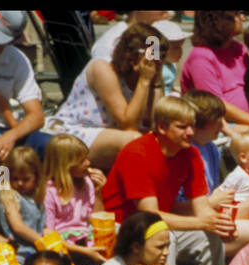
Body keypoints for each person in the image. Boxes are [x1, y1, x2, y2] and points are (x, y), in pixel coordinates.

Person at [100, 94, 231, 265]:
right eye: (182, 127)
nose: (190, 132)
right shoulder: (138, 152)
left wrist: (215, 223)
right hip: (125, 226)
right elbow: (148, 215)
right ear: (162, 127)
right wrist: (202, 221)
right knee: (164, 239)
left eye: (192, 126)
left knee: (210, 239)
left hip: (159, 221)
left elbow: (201, 208)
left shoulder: (190, 155)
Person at [43, 22, 163, 171]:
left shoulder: (144, 77)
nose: (154, 65)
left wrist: (155, 81)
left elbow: (156, 121)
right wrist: (145, 81)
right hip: (75, 132)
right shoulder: (102, 69)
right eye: (152, 58)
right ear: (132, 56)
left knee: (163, 138)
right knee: (134, 141)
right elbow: (128, 125)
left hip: (108, 134)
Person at [0, 11, 46, 160]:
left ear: (12, 41)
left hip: (2, 126)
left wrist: (10, 137)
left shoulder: (16, 59)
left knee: (50, 146)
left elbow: (37, 115)